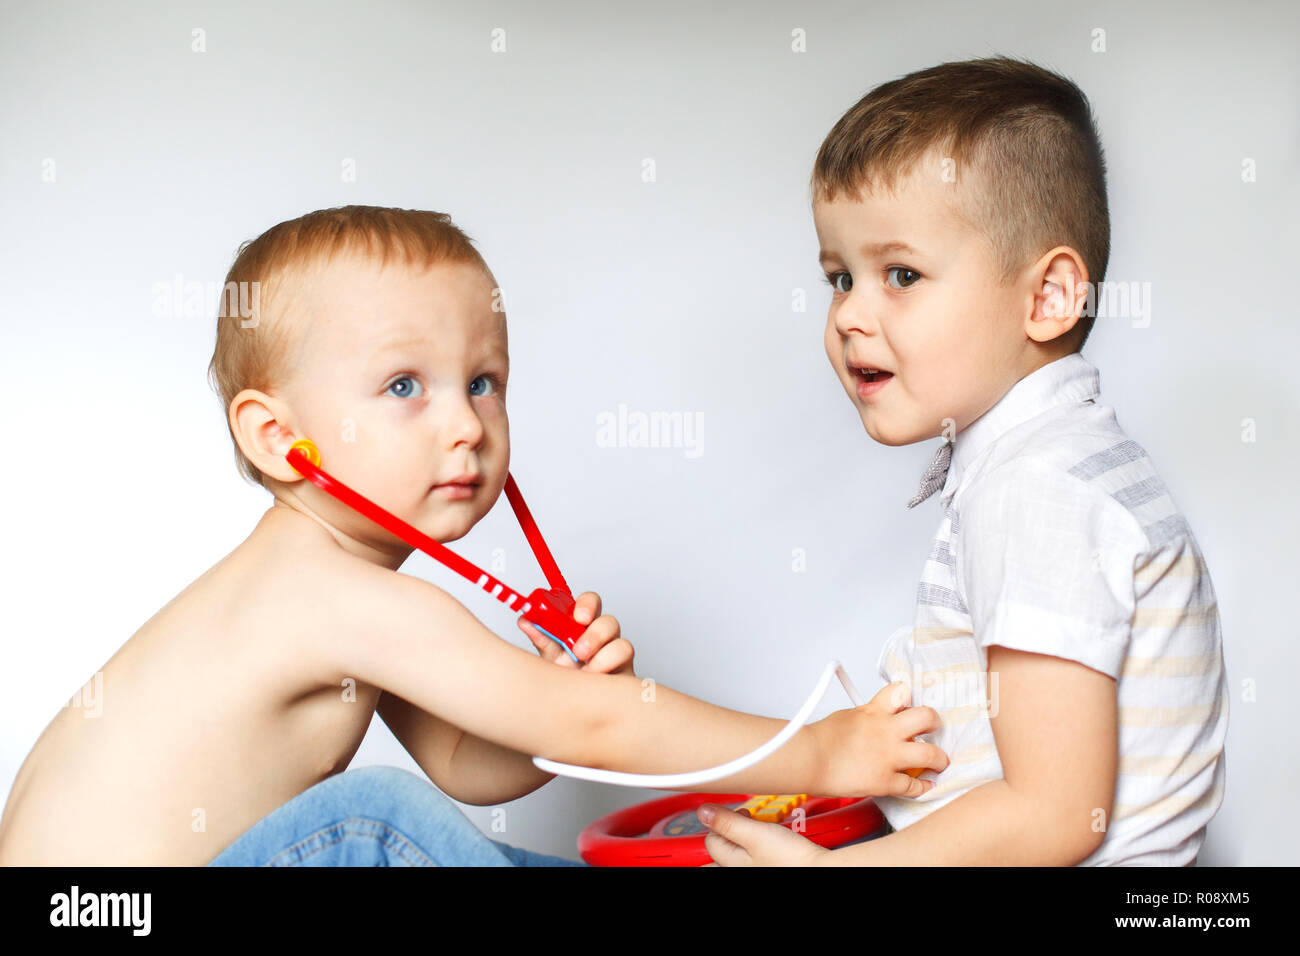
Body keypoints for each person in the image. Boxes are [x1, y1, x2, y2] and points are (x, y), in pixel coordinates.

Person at [0, 205, 945, 866]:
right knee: (374, 823)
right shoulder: (326, 594)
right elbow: (597, 730)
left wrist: (554, 706)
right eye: (405, 386)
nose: (465, 423)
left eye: (483, 381)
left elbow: (471, 765)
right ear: (275, 439)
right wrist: (820, 752)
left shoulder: (349, 593)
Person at [700, 57, 1227, 866]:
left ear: (1049, 298)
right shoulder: (1065, 466)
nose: (849, 315)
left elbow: (1054, 814)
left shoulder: (1038, 490)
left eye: (900, 274)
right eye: (840, 277)